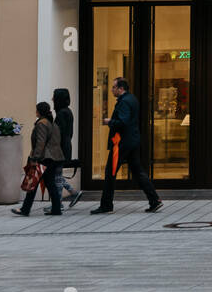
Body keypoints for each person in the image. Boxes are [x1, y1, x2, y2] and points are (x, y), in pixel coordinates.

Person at [92, 77, 162, 214]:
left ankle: (106, 205)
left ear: (121, 88)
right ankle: (154, 200)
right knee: (138, 171)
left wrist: (109, 121)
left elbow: (123, 122)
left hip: (121, 143)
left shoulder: (124, 102)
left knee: (110, 173)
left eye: (114, 87)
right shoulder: (132, 99)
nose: (112, 90)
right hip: (132, 141)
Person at [13, 101, 64, 216]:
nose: (35, 111)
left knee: (34, 183)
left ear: (39, 111)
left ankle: (25, 209)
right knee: (50, 184)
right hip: (53, 158)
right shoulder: (52, 123)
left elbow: (40, 143)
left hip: (44, 158)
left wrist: (35, 158)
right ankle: (56, 209)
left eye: (36, 109)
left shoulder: (42, 123)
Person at [51, 87, 82, 208]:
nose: (52, 99)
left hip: (61, 148)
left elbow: (59, 133)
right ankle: (71, 194)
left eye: (54, 96)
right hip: (65, 146)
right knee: (56, 174)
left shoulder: (62, 113)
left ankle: (59, 203)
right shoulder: (67, 111)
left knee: (56, 174)